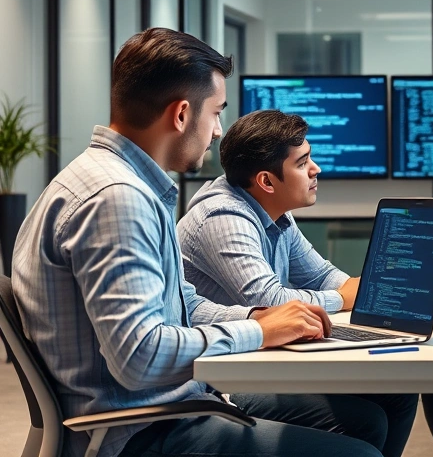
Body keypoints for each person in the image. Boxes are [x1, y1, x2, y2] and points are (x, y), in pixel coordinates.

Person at [12, 28, 391, 457]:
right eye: (215, 113)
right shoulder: (117, 199)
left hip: (170, 404)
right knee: (360, 453)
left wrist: (259, 316)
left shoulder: (108, 181)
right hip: (142, 430)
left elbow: (182, 303)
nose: (217, 132)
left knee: (368, 420)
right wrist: (258, 331)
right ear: (181, 115)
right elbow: (140, 357)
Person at [178, 109, 433, 457]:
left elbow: (323, 275)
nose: (315, 169)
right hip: (224, 378)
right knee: (370, 421)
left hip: (256, 359)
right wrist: (345, 297)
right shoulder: (224, 216)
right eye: (303, 162)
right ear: (266, 181)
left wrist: (370, 293)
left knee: (399, 391)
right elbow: (273, 300)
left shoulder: (275, 214)